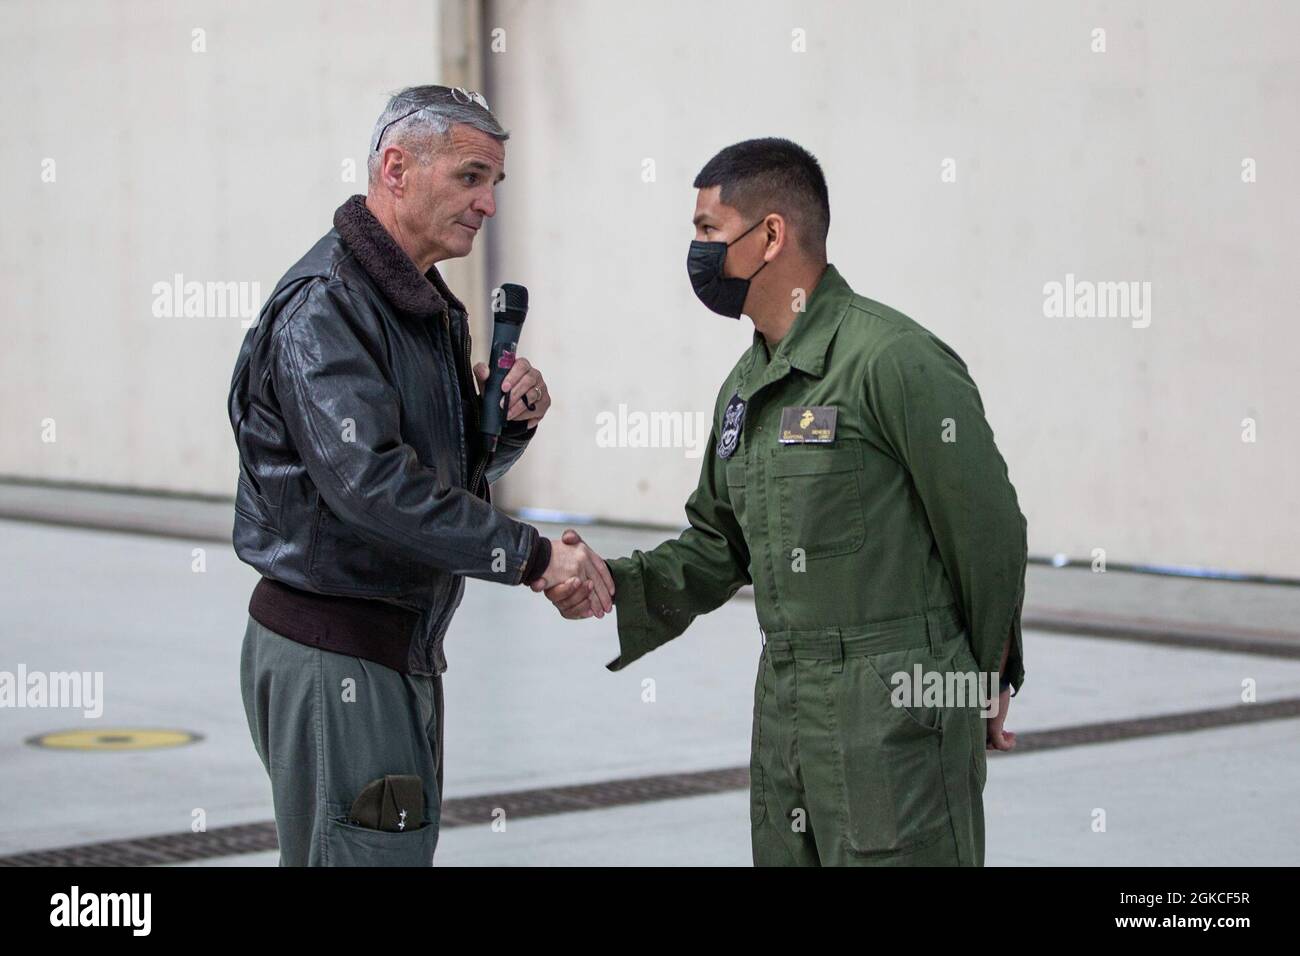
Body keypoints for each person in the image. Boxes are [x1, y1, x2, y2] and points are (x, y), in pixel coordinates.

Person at [542, 138, 1027, 866]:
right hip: (787, 710)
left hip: (897, 710)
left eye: (708, 229)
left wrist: (983, 678)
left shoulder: (891, 360)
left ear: (771, 234)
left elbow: (987, 532)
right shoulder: (745, 387)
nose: (697, 251)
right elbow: (719, 544)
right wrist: (614, 579)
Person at [227, 85, 613, 866]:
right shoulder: (329, 305)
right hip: (341, 655)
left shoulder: (411, 304)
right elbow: (372, 488)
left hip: (389, 650)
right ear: (397, 168)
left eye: (495, 184)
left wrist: (500, 427)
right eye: (471, 177)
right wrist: (534, 557)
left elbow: (420, 474)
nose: (488, 204)